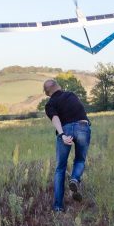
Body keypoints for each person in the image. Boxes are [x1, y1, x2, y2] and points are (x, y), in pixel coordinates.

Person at [43, 78, 90, 212]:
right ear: (59, 86)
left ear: (46, 93)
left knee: (60, 168)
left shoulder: (50, 104)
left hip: (66, 130)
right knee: (80, 160)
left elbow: (55, 118)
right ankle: (74, 179)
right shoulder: (71, 95)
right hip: (83, 127)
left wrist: (62, 134)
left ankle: (58, 207)